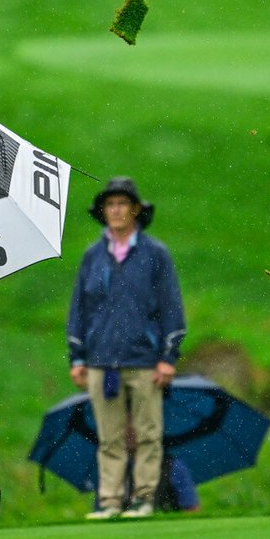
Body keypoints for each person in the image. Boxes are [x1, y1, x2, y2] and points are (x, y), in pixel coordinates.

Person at [67, 176, 186, 520]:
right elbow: (79, 309)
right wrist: (77, 356)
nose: (116, 210)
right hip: (101, 361)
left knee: (149, 434)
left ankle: (144, 498)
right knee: (109, 437)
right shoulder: (92, 256)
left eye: (122, 204)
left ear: (135, 210)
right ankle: (110, 501)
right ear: (104, 211)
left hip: (146, 360)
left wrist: (168, 357)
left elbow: (171, 308)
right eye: (110, 204)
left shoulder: (155, 254)